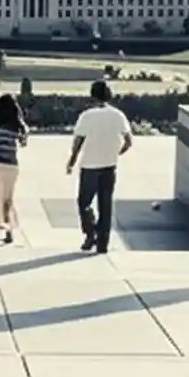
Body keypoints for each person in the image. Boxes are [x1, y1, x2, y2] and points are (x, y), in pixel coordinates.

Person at [66, 80, 134, 254]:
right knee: (106, 205)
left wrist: (72, 161)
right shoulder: (118, 115)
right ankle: (102, 243)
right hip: (109, 166)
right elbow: (128, 141)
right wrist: (116, 153)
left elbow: (78, 141)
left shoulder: (87, 116)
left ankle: (90, 232)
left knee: (84, 203)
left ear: (92, 95)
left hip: (90, 165)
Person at [0, 94, 28, 244]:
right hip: (11, 164)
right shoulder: (18, 125)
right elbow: (24, 142)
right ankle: (9, 227)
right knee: (8, 198)